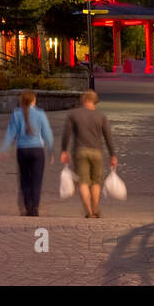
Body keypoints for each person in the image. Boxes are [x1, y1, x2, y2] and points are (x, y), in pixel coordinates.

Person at [59, 89, 117, 219]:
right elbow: (108, 137)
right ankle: (96, 208)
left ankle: (89, 211)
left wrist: (64, 150)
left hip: (80, 151)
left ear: (83, 100)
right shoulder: (101, 116)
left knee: (83, 182)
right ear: (94, 101)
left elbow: (66, 134)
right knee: (96, 182)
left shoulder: (74, 114)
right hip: (97, 152)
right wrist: (113, 155)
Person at [0, 90, 54, 217]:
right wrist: (51, 150)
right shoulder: (40, 114)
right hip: (37, 150)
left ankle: (27, 206)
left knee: (24, 180)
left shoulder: (16, 114)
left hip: (22, 150)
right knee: (36, 180)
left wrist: (3, 149)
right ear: (34, 100)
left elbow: (10, 133)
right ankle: (35, 208)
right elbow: (47, 133)